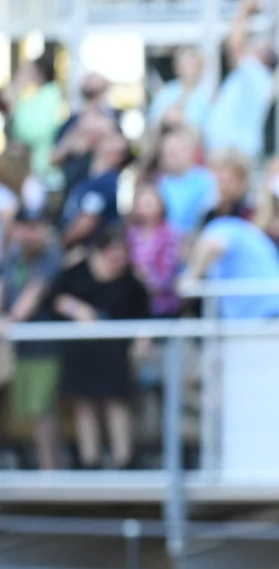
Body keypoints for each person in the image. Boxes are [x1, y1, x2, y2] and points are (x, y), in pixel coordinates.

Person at [44, 226, 151, 470]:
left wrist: (142, 341)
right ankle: (89, 460)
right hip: (81, 351)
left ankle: (124, 460)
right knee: (84, 405)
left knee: (116, 404)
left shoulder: (131, 281)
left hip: (114, 353)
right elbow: (53, 300)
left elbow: (142, 314)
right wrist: (77, 310)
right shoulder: (76, 274)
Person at [0, 206, 65, 470]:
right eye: (26, 227)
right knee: (24, 408)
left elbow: (34, 293)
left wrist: (10, 321)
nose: (32, 233)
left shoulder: (51, 254)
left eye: (36, 227)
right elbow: (3, 289)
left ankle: (50, 473)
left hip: (44, 344)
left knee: (42, 409)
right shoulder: (12, 255)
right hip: (18, 345)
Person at [203, 0, 277, 159]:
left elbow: (235, 45)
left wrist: (244, 9)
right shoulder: (250, 76)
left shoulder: (257, 74)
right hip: (229, 151)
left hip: (235, 152)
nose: (251, 46)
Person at [126, 182, 184, 318]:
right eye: (143, 203)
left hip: (163, 304)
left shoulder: (170, 234)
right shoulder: (130, 234)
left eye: (150, 203)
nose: (147, 207)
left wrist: (147, 278)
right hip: (132, 302)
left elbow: (170, 272)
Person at [156, 129, 218, 233]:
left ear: (189, 152)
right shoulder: (161, 184)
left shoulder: (205, 180)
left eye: (173, 153)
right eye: (166, 154)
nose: (168, 159)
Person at [148, 47, 215, 130]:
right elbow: (152, 122)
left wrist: (183, 122)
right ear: (177, 67)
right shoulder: (166, 92)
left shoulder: (208, 96)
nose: (190, 71)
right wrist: (164, 118)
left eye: (194, 66)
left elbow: (211, 129)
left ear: (201, 69)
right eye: (186, 65)